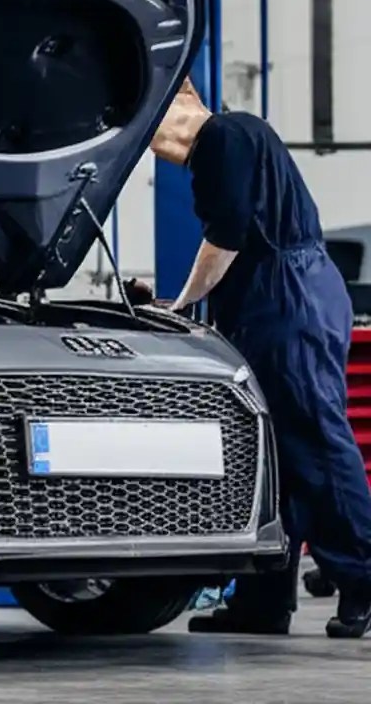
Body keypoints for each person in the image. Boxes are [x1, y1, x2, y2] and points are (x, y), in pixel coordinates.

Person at [140, 78, 371, 638]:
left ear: (184, 103)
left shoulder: (223, 136)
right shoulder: (233, 141)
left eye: (155, 133)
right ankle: (264, 602)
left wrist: (181, 302)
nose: (156, 149)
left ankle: (363, 578)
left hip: (288, 299)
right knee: (275, 455)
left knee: (313, 442)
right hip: (283, 296)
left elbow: (227, 238)